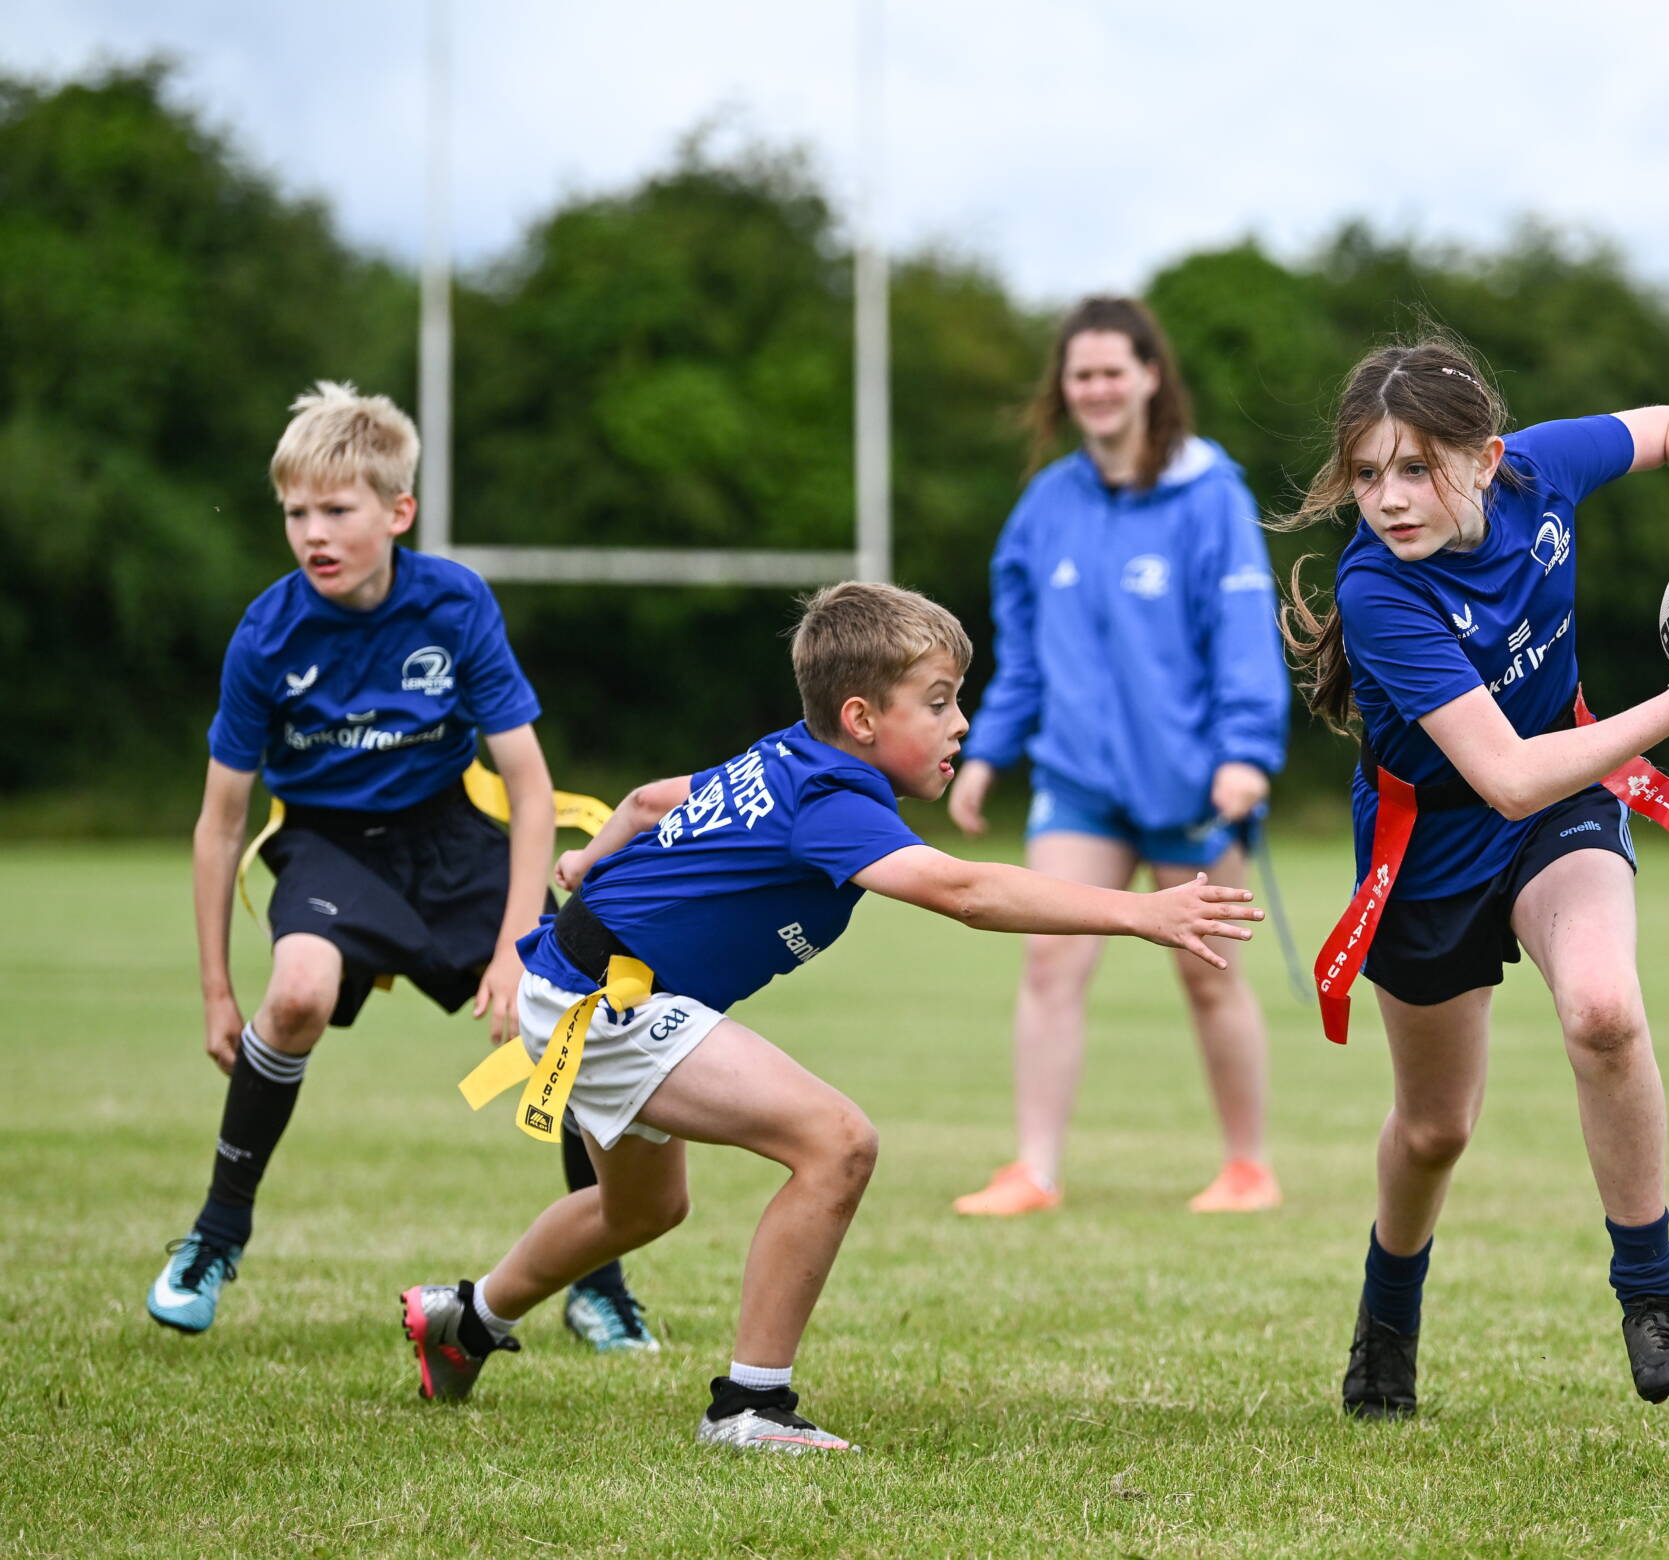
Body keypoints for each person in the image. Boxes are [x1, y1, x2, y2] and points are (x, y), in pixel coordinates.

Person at [401, 582, 1262, 1452]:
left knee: (641, 1212)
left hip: (583, 982)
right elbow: (963, 891)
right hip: (610, 998)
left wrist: (593, 858)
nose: (960, 722)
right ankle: (750, 1407)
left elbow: (651, 800)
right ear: (859, 718)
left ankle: (463, 1319)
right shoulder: (833, 799)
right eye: (937, 703)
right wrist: (1141, 912)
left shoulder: (791, 755)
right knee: (836, 1142)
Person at [1272, 339, 1669, 1415]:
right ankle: (1386, 1315)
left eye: (1415, 469)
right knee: (1434, 1128)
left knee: (1605, 1013)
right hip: (1431, 845)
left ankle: (1650, 1300)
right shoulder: (1378, 592)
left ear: (1482, 460)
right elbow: (1503, 777)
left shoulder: (1537, 470)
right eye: (1368, 473)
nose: (1387, 499)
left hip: (1559, 804)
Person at [149, 382, 658, 1354]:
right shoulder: (266, 634)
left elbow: (530, 789)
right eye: (296, 512)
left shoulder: (453, 603)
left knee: (571, 1008)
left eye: (336, 510)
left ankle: (598, 1281)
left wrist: (519, 950)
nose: (313, 533)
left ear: (398, 512)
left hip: (452, 836)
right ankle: (213, 1240)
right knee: (294, 993)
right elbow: (221, 825)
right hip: (329, 843)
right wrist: (218, 990)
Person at [946, 296, 1292, 1218]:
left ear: (1148, 377)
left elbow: (1244, 636)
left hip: (1190, 783)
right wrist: (983, 754)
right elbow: (1021, 654)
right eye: (1081, 373)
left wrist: (1246, 753)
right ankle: (1035, 1171)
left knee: (1205, 969)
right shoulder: (1044, 506)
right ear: (1064, 388)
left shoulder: (1211, 494)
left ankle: (1247, 1167)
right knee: (1051, 962)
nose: (1097, 388)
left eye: (1112, 370)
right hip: (1078, 779)